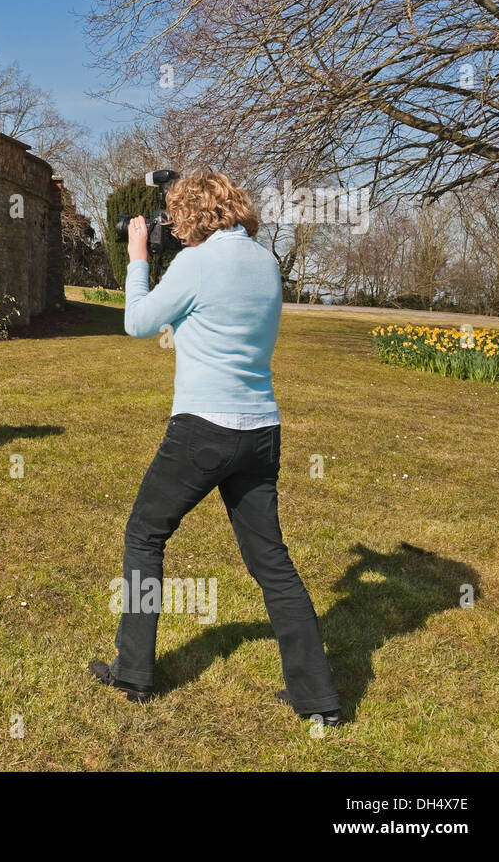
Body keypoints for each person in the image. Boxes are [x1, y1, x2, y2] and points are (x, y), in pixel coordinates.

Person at [89, 170, 343, 727]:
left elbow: (137, 323)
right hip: (261, 430)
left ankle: (134, 672)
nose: (173, 228)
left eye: (177, 217)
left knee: (144, 535)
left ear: (194, 216)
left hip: (203, 429)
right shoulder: (266, 262)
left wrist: (137, 256)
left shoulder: (196, 264)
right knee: (271, 562)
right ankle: (318, 699)